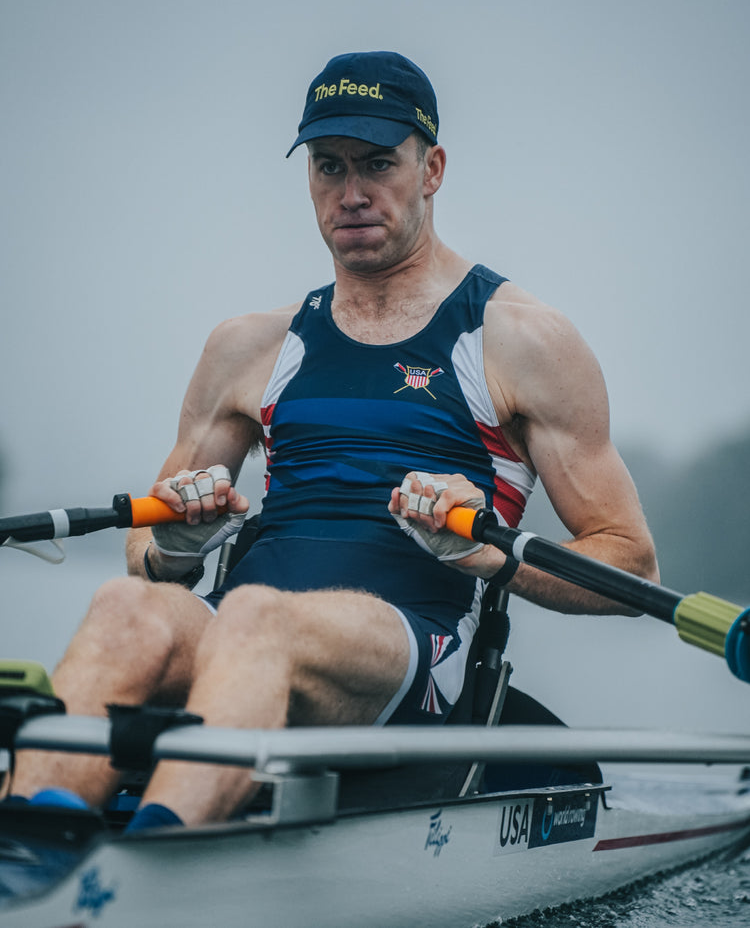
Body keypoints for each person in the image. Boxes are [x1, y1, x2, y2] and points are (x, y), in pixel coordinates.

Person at [10, 51, 657, 830]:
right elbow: (143, 554)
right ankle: (33, 839)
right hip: (242, 631)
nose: (351, 194)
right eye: (328, 166)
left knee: (256, 618)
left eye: (377, 164)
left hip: (413, 649)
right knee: (123, 607)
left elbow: (630, 562)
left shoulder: (521, 340)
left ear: (432, 169)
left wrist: (486, 554)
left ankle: (159, 856)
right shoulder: (249, 346)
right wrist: (177, 547)